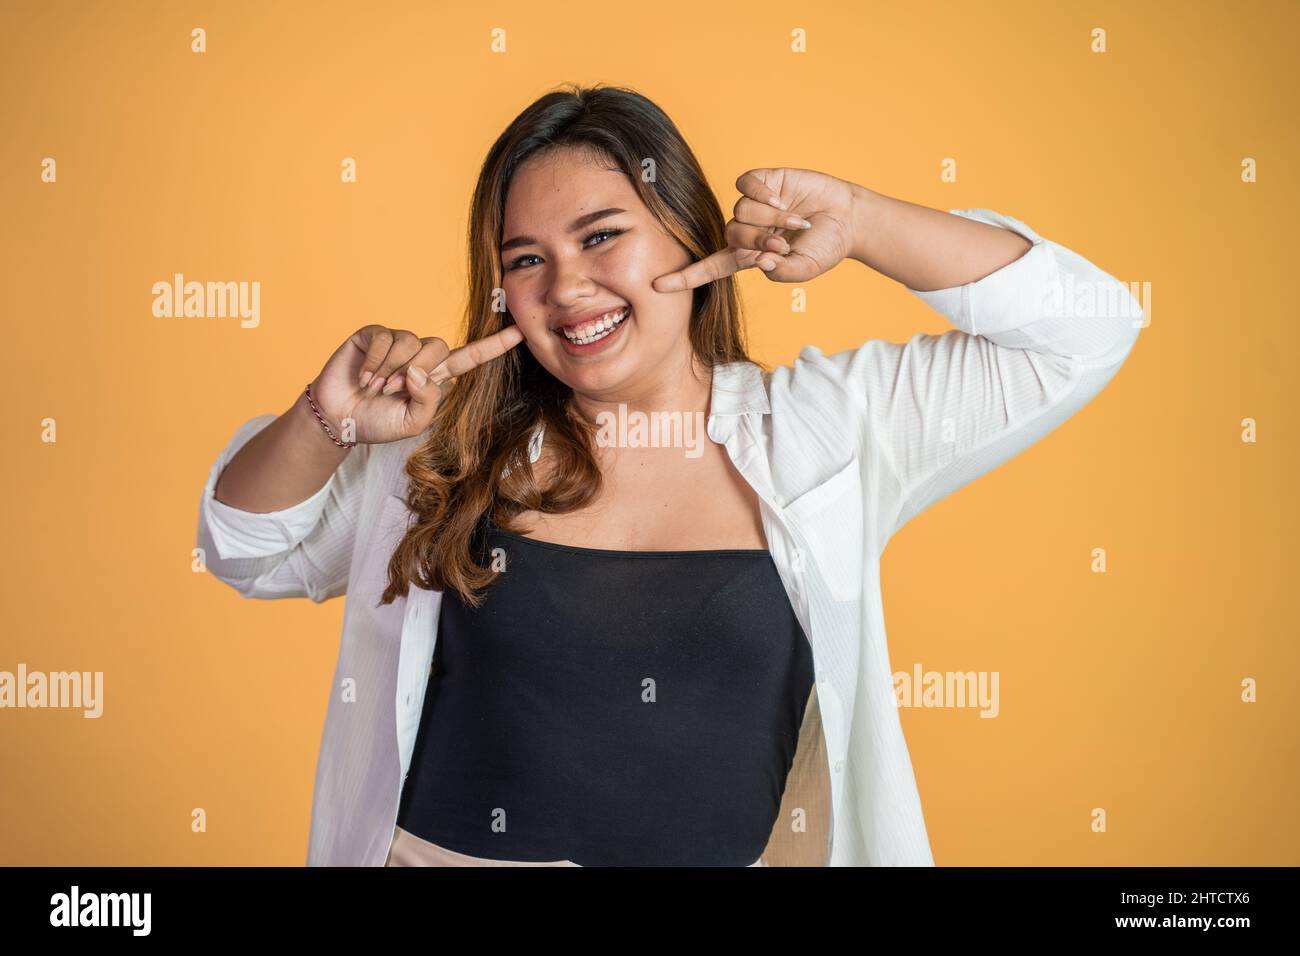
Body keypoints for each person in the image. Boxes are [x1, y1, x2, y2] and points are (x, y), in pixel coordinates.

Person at [197, 83, 1143, 867]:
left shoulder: (828, 429)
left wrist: (857, 221)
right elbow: (246, 551)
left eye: (602, 235)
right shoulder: (445, 443)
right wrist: (328, 421)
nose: (567, 287)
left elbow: (1084, 328)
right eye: (528, 259)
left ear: (689, 234)